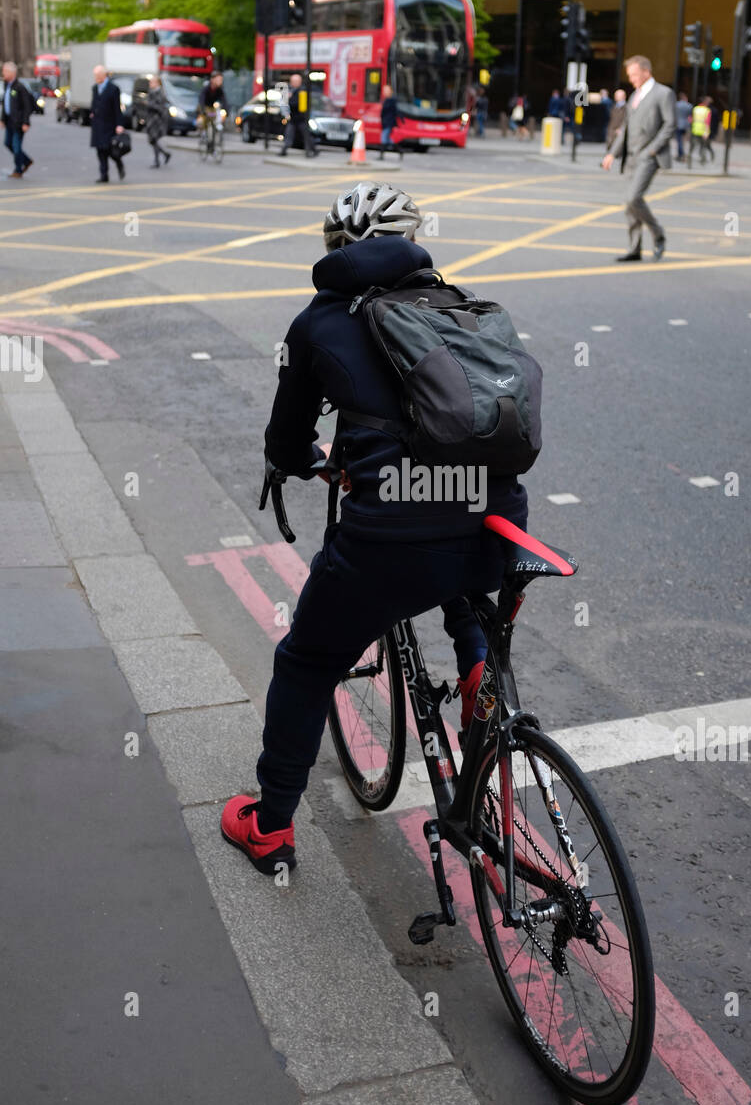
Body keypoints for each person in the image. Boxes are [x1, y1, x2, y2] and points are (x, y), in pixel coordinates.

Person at [219, 183, 531, 873]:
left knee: (304, 663)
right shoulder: (454, 305)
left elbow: (288, 437)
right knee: (458, 541)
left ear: (336, 249)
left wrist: (300, 461)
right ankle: (479, 666)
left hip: (388, 537)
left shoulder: (319, 323)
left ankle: (269, 827)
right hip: (502, 524)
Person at [602, 54, 676, 262]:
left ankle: (658, 234)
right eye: (630, 75)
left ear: (646, 71)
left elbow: (670, 125)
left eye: (634, 74)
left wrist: (652, 150)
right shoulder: (635, 95)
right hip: (631, 157)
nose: (632, 78)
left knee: (633, 197)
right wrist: (612, 153)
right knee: (630, 205)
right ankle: (634, 249)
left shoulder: (664, 93)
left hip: (649, 157)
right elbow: (625, 129)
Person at [90, 64, 125, 183]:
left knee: (110, 150)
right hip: (98, 124)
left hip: (109, 124)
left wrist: (119, 125)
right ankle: (104, 175)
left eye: (96, 75)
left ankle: (119, 163)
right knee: (100, 150)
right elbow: (94, 103)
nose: (95, 77)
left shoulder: (113, 89)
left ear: (102, 75)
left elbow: (117, 108)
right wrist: (93, 112)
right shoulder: (95, 88)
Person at [1, 61, 34, 178]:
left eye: (4, 71)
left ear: (11, 72)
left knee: (16, 146)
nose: (2, 73)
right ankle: (26, 161)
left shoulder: (19, 87)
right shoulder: (7, 86)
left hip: (18, 123)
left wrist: (26, 122)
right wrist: (3, 119)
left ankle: (18, 169)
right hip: (9, 121)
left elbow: (27, 106)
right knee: (7, 143)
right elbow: (6, 104)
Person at [279, 72, 319, 158]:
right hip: (293, 118)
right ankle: (284, 150)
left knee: (306, 135)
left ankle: (311, 151)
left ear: (299, 82)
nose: (293, 83)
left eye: (295, 81)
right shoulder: (291, 90)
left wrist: (290, 99)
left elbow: (298, 104)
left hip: (301, 118)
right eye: (292, 81)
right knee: (289, 134)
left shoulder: (302, 91)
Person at [145, 75, 171, 169]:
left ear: (157, 83)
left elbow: (161, 107)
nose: (150, 84)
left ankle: (157, 160)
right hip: (151, 119)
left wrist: (149, 104)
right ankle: (165, 155)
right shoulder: (151, 92)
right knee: (152, 140)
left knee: (153, 140)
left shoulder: (160, 93)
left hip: (158, 120)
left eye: (152, 82)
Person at [378, 83, 402, 159]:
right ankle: (400, 151)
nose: (384, 92)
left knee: (383, 138)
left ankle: (381, 155)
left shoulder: (391, 100)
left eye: (386, 90)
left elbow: (395, 112)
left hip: (388, 122)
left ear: (390, 91)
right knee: (389, 140)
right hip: (385, 122)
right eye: (384, 90)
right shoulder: (386, 100)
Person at [689, 97, 713, 164]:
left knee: (693, 146)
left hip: (695, 130)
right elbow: (707, 122)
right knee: (703, 146)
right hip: (703, 131)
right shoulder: (707, 110)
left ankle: (689, 158)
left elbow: (690, 119)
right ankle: (702, 160)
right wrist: (706, 132)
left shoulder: (695, 109)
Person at [604, 88, 627, 154]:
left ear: (623, 97)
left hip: (619, 131)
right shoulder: (614, 106)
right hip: (611, 130)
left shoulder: (626, 107)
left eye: (618, 96)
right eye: (616, 95)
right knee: (610, 147)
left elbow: (626, 119)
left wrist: (621, 128)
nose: (616, 97)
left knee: (618, 149)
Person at [674, 91, 691, 161]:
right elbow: (690, 116)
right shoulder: (689, 105)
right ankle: (681, 153)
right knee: (683, 141)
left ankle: (681, 154)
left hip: (677, 124)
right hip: (685, 125)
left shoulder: (676, 105)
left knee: (679, 141)